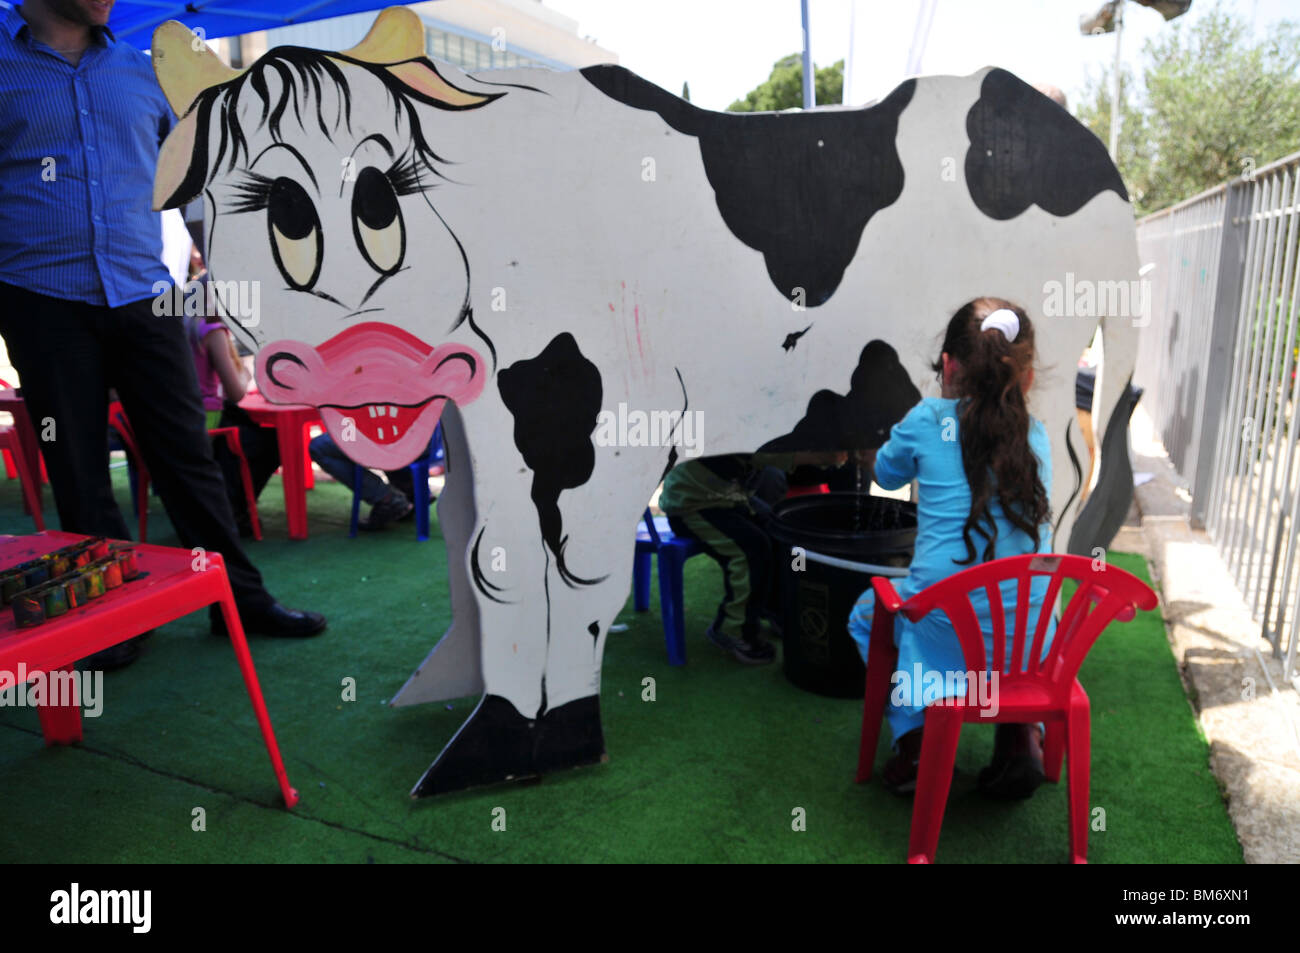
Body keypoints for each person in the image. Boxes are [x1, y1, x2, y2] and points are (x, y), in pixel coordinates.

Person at [0, 0, 326, 669]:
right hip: (41, 300)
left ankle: (238, 599)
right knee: (80, 468)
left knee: (188, 457)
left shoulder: (139, 71)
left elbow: (191, 182)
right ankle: (114, 620)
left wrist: (230, 275)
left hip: (146, 297)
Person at [847, 297, 1054, 799]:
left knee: (864, 615)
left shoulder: (926, 419)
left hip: (947, 638)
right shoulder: (1039, 435)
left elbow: (887, 474)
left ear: (948, 366)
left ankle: (916, 742)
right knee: (1002, 611)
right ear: (1025, 378)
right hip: (1032, 643)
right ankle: (1021, 735)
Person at [660, 452, 843, 665]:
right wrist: (822, 457)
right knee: (750, 550)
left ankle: (774, 609)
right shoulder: (733, 423)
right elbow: (765, 452)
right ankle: (732, 629)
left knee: (777, 532)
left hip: (732, 498)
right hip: (692, 505)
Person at [308, 432, 420, 531]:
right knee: (391, 424)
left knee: (319, 447)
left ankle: (387, 499)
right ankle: (410, 489)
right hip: (424, 440)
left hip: (383, 440)